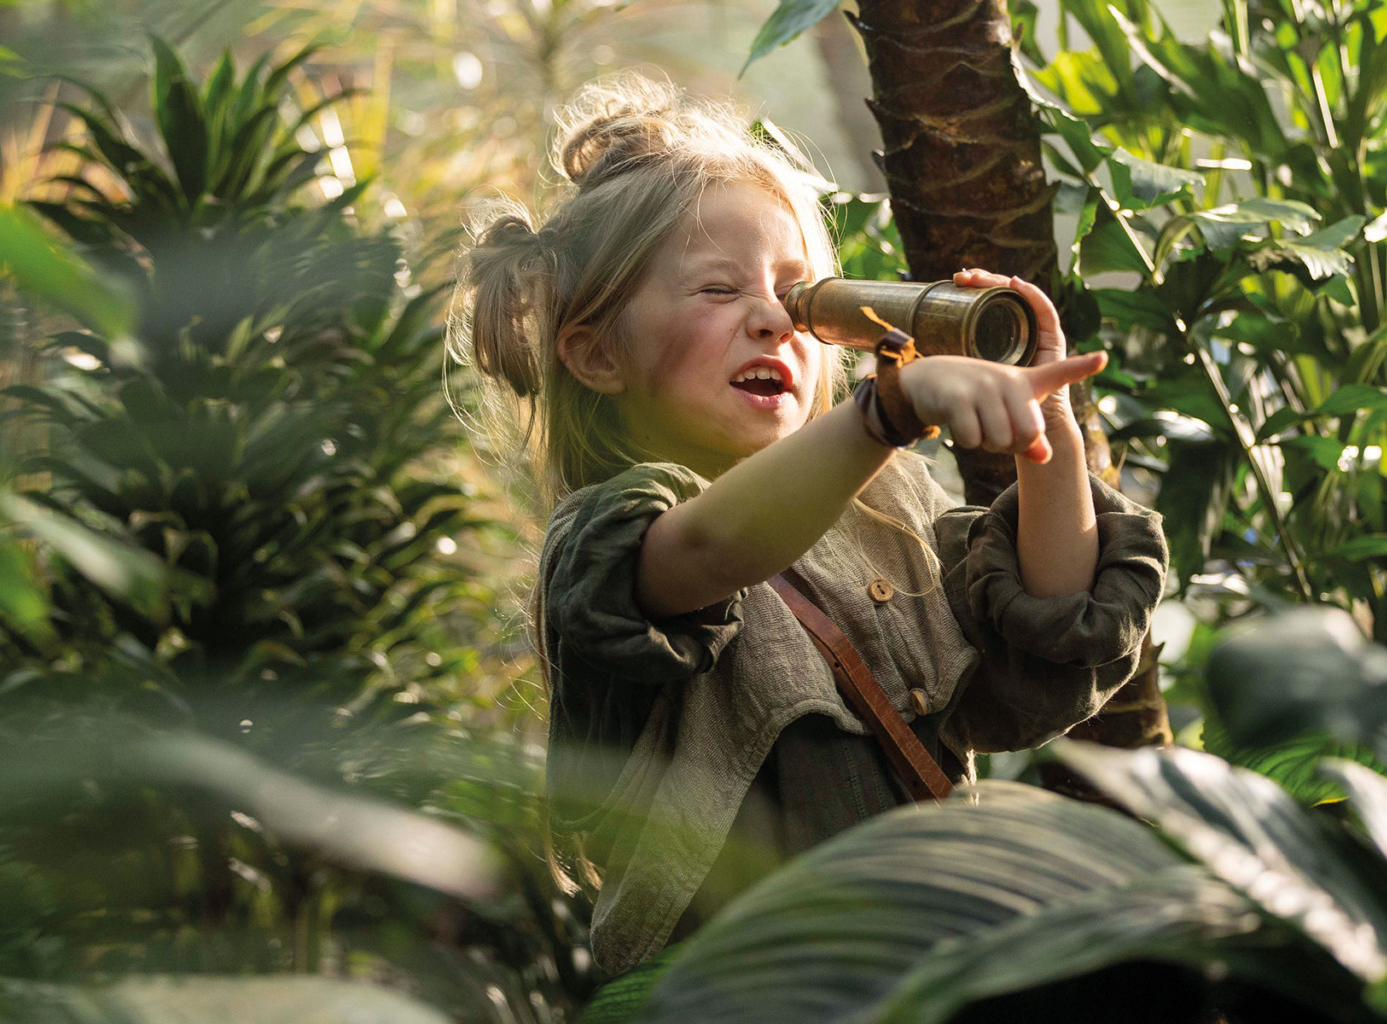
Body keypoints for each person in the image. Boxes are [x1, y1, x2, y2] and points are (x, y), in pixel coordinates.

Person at [451, 73, 1168, 978]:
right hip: (734, 988)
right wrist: (887, 413)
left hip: (918, 967)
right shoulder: (603, 538)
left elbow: (1055, 622)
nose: (769, 320)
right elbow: (711, 550)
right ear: (597, 354)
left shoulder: (888, 508)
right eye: (715, 290)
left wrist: (1048, 427)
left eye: (799, 297)